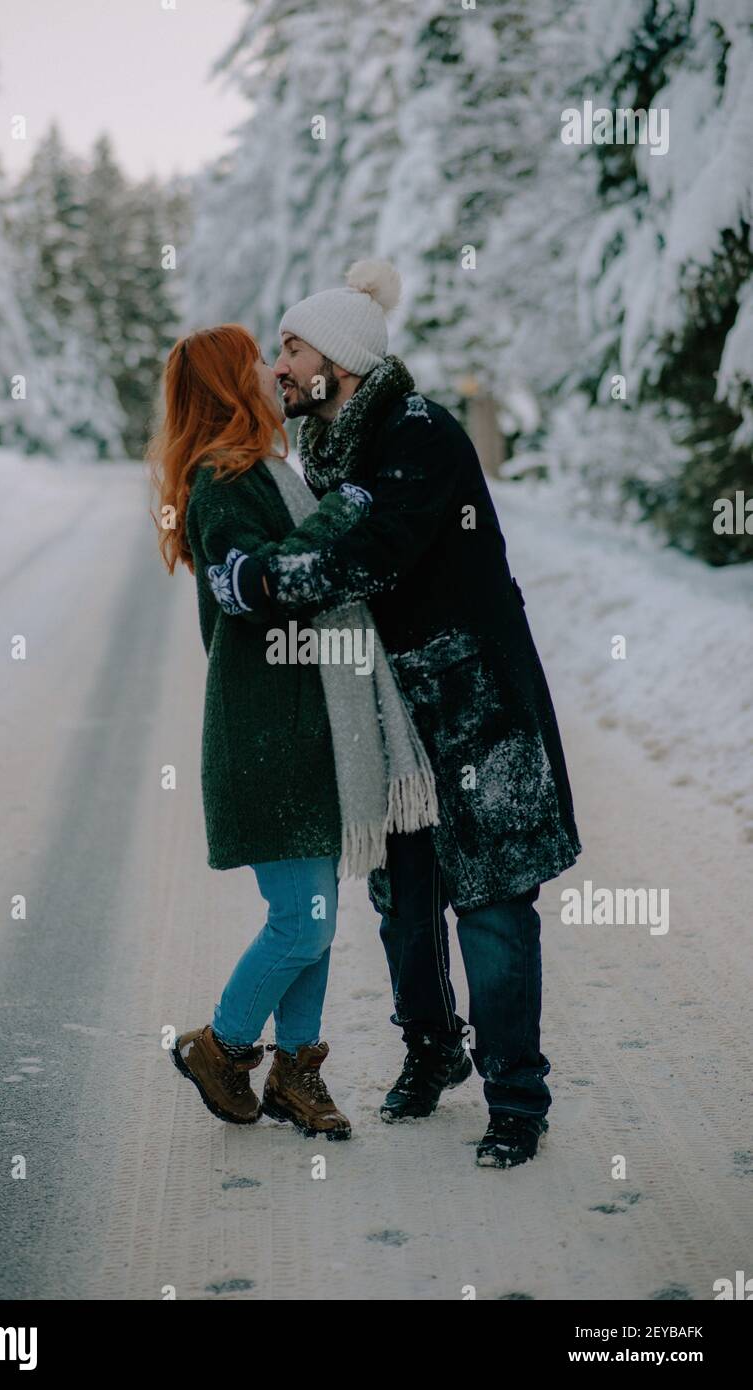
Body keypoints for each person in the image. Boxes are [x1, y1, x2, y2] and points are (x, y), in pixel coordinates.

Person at [207, 262, 583, 1168]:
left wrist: (259, 583)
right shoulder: (332, 446)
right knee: (403, 902)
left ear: (339, 360)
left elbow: (366, 553)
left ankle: (515, 1099)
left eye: (293, 349)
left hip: (475, 703)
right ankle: (431, 1050)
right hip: (399, 716)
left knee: (491, 906)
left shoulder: (418, 434)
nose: (280, 365)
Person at [148, 322, 439, 1142]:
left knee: (315, 918)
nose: (274, 371)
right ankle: (221, 1046)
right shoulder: (217, 485)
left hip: (310, 727)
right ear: (226, 386)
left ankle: (296, 1077)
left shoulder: (267, 470)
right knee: (302, 922)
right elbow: (256, 589)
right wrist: (337, 517)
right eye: (256, 363)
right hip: (263, 731)